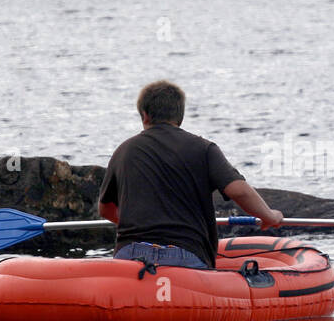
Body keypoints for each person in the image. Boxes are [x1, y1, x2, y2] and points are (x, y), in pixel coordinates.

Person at [97, 80, 283, 269]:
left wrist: (143, 223)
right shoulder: (203, 149)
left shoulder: (124, 151)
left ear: (144, 115)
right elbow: (239, 191)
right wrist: (269, 216)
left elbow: (106, 209)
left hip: (130, 253)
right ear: (180, 116)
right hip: (185, 251)